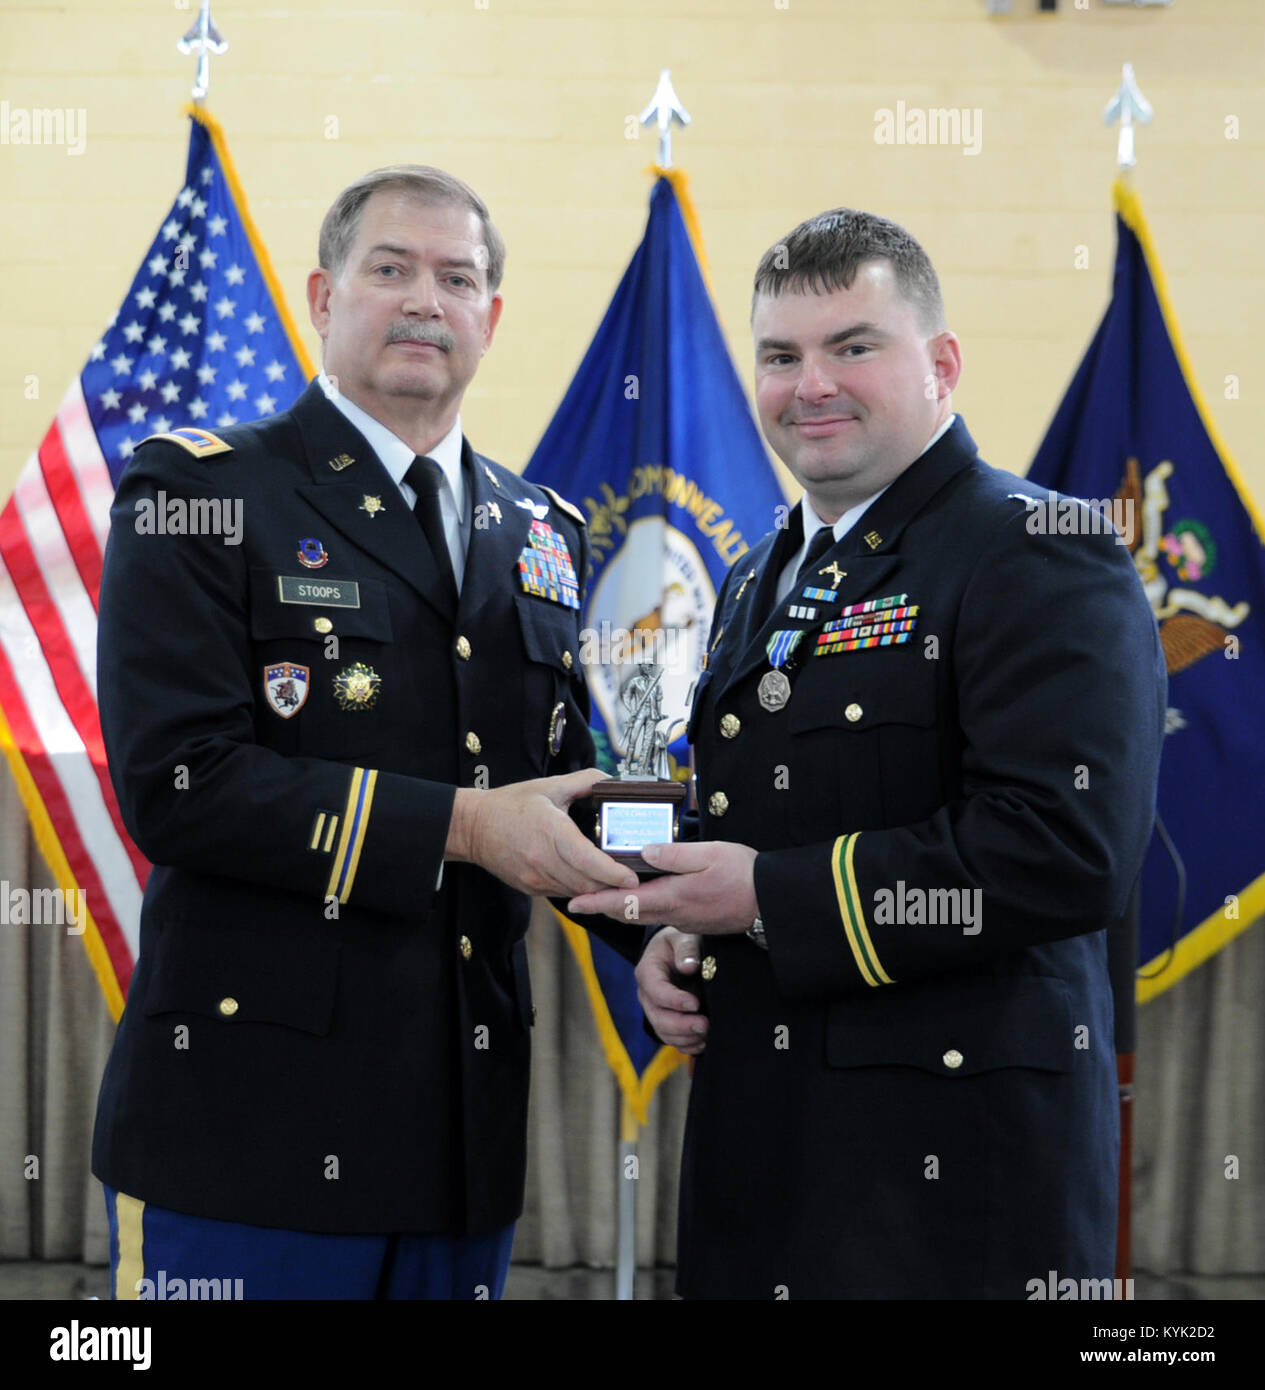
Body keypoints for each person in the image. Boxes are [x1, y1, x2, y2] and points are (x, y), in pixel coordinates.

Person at [569, 208, 1167, 1299]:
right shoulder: (764, 574)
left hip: (948, 1190)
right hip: (766, 1162)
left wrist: (765, 899)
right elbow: (749, 817)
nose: (811, 385)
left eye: (853, 346)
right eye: (780, 355)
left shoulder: (1039, 549)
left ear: (939, 363)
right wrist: (676, 937)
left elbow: (1064, 849)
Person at [92, 165, 638, 1300]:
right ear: (320, 296)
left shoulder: (534, 525)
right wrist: (465, 825)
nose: (424, 301)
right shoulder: (203, 492)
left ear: (491, 318)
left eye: (457, 277)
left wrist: (668, 923)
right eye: (389, 268)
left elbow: (556, 781)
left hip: (460, 1132)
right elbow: (180, 782)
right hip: (255, 1126)